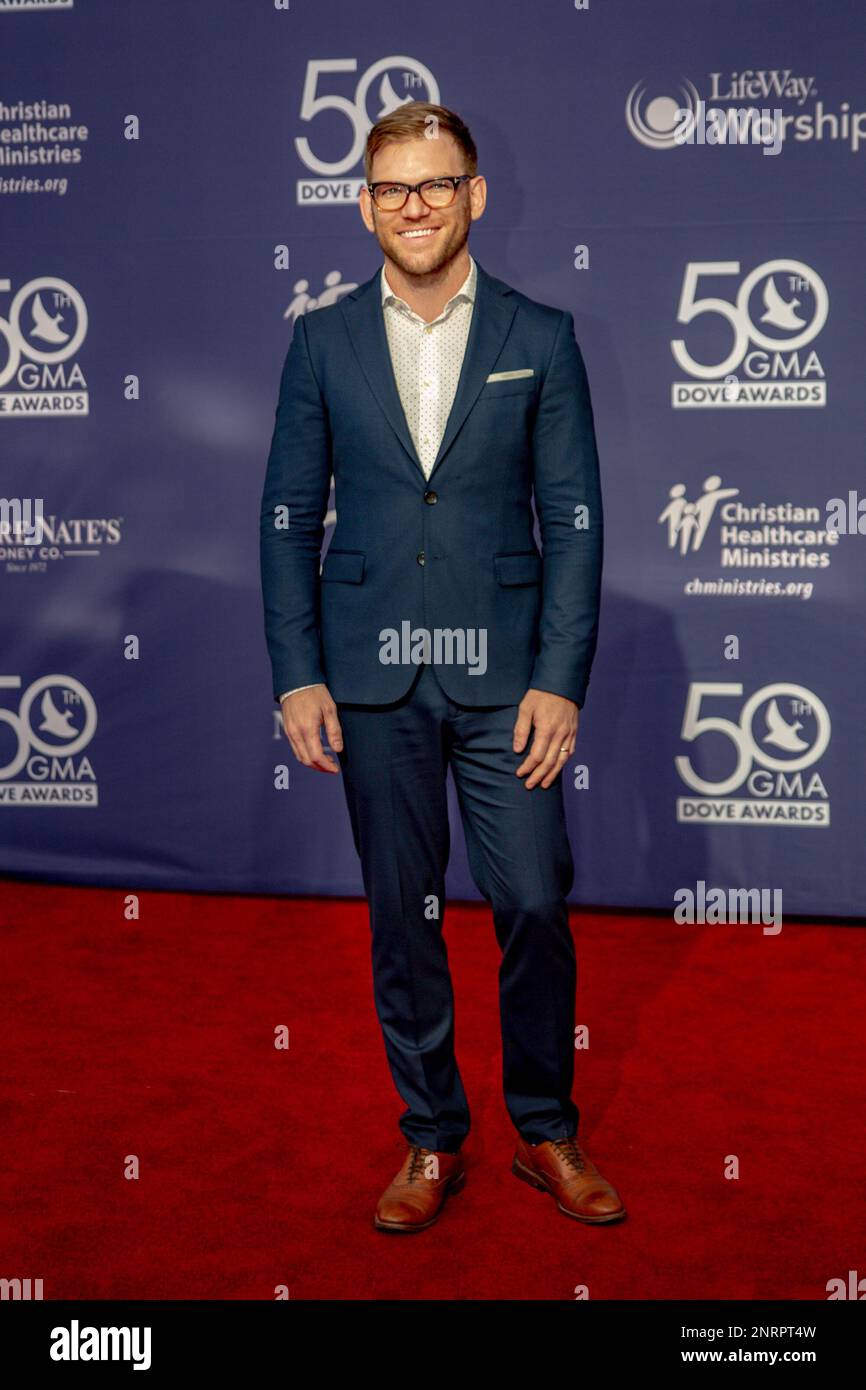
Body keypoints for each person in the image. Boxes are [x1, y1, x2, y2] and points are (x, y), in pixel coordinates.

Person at [259, 101, 625, 1232]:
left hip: (507, 681)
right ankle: (428, 1137)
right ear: (362, 204)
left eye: (433, 185)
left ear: (472, 194)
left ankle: (543, 1127)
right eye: (389, 189)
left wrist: (559, 678)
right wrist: (296, 672)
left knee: (529, 900)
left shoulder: (540, 336)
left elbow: (572, 521)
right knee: (398, 916)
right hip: (368, 680)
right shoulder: (318, 340)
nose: (411, 207)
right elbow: (286, 519)